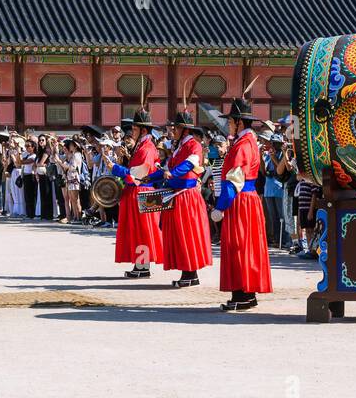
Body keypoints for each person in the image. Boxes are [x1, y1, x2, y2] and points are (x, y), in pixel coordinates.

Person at [211, 98, 273, 311]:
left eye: (230, 121)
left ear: (239, 122)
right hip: (246, 200)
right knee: (246, 246)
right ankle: (247, 294)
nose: (228, 125)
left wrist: (221, 206)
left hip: (240, 201)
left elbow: (234, 179)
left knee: (239, 246)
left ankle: (243, 294)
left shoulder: (243, 145)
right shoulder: (245, 143)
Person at [157, 110, 214, 287]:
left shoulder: (193, 145)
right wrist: (149, 177)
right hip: (177, 194)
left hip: (186, 196)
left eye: (177, 126)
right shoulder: (179, 146)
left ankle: (190, 273)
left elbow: (189, 164)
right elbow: (167, 168)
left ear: (185, 129)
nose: (173, 129)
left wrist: (171, 173)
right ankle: (189, 274)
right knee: (179, 235)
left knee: (186, 234)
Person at [111, 109, 165, 278]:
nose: (131, 132)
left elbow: (137, 175)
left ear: (143, 130)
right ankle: (141, 264)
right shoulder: (142, 146)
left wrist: (114, 168)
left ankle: (143, 266)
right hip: (142, 191)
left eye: (134, 129)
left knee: (143, 230)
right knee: (139, 230)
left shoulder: (147, 147)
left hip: (144, 191)